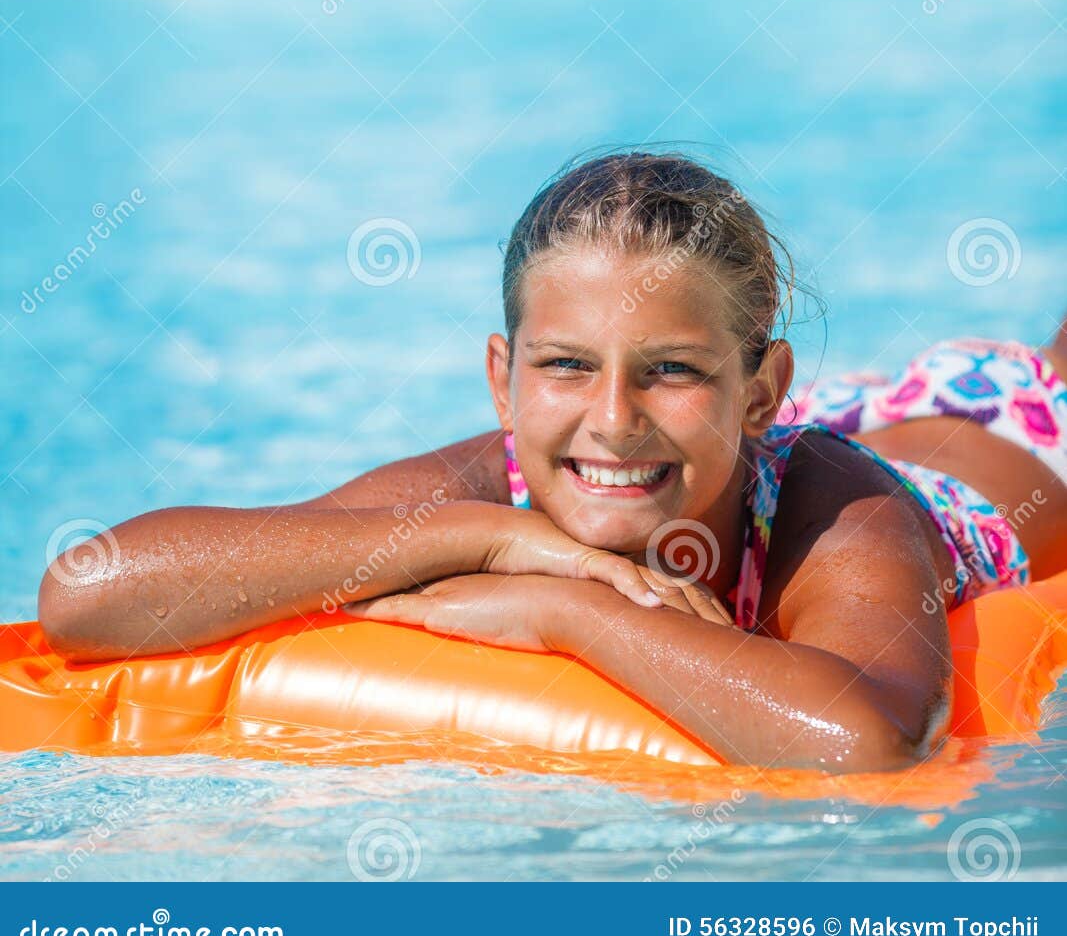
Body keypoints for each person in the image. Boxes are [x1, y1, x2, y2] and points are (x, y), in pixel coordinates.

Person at [38, 151, 1067, 774]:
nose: (610, 419)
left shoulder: (831, 500)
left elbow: (873, 745)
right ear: (503, 376)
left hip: (1009, 435)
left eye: (665, 368)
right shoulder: (486, 482)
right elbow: (84, 594)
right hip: (726, 442)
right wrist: (488, 539)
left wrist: (565, 610)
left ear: (760, 390)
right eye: (567, 365)